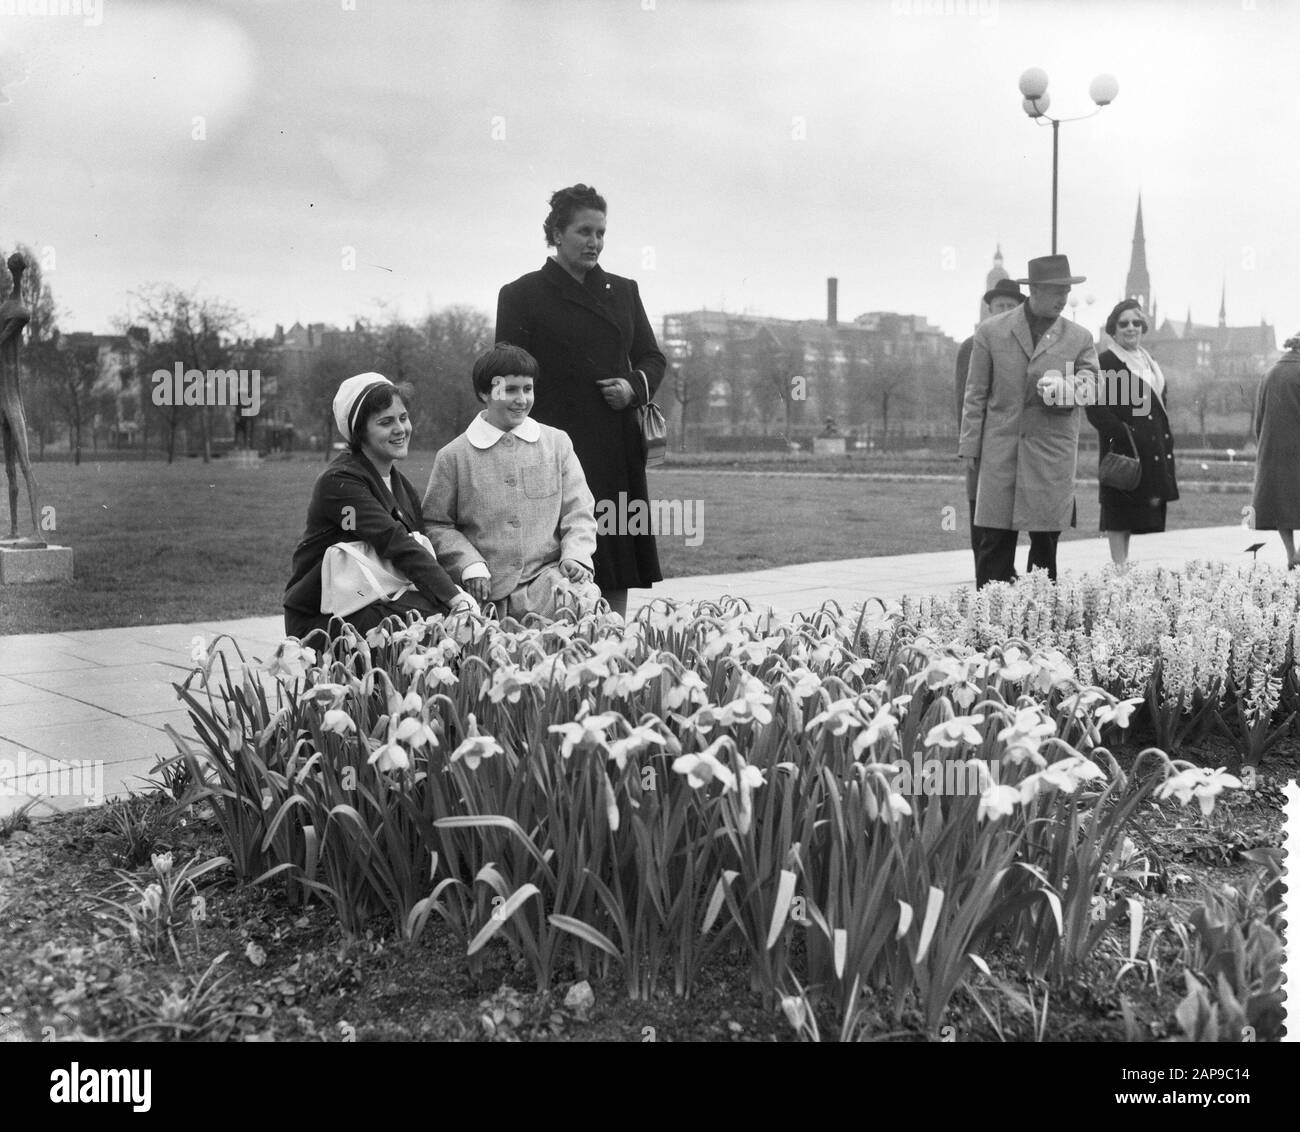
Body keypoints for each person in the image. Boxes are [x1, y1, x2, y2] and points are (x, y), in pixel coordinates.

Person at [495, 184, 666, 617]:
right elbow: (508, 370)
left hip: (613, 447)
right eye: (584, 231)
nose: (595, 242)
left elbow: (652, 356)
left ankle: (612, 648)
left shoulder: (624, 290)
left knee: (614, 557)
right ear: (556, 232)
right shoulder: (521, 294)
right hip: (549, 447)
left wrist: (634, 386)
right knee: (551, 559)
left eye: (601, 233)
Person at [283, 373, 474, 642]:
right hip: (326, 617)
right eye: (386, 422)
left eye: (403, 418)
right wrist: (454, 598)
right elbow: (394, 542)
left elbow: (421, 550)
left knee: (452, 622)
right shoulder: (339, 481)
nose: (400, 429)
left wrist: (456, 593)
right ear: (360, 432)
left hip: (377, 600)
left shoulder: (402, 486)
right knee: (436, 626)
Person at [422, 342, 601, 620]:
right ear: (484, 392)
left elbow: (579, 511)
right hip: (486, 593)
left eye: (527, 389)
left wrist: (575, 555)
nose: (521, 399)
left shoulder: (556, 443)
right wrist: (469, 564)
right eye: (509, 390)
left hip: (549, 585)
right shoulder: (454, 456)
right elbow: (436, 524)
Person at [958, 254, 1100, 587]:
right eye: (1056, 290)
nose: (1063, 298)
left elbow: (1094, 385)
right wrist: (969, 444)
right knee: (993, 542)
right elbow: (975, 393)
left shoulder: (1079, 337)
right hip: (1000, 452)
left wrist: (1067, 388)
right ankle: (988, 624)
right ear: (1034, 289)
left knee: (1044, 547)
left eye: (1067, 290)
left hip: (1051, 456)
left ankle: (1039, 624)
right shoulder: (991, 332)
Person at [1086, 299, 1179, 568]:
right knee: (1118, 512)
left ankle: (1124, 568)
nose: (1131, 328)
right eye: (1123, 323)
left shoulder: (1150, 362)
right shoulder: (1106, 362)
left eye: (1136, 323)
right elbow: (1096, 409)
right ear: (1113, 330)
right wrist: (1123, 433)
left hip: (1151, 450)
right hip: (1123, 448)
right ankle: (1119, 570)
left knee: (1135, 513)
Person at [956, 278, 1026, 576]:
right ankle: (983, 572)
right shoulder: (973, 345)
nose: (1005, 311)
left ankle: (1005, 570)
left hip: (1010, 443)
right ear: (989, 309)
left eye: (1012, 306)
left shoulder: (1020, 344)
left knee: (1005, 510)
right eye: (1000, 306)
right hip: (983, 443)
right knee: (981, 512)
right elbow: (966, 397)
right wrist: (972, 442)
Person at [1251, 333, 1300, 568]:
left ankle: (1291, 553)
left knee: (1282, 507)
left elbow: (1258, 422)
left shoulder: (1269, 373)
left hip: (1273, 454)